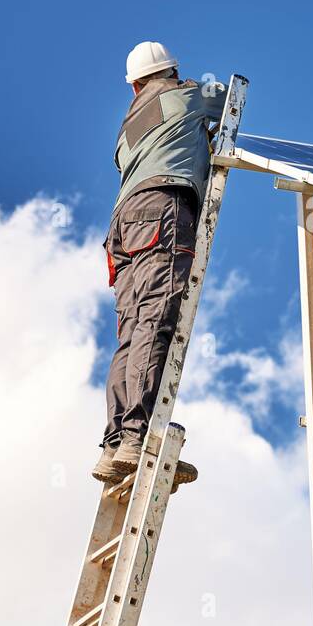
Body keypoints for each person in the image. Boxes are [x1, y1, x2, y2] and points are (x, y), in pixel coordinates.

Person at [93, 41, 223, 486]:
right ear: (170, 70)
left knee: (131, 333)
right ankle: (138, 437)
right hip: (162, 210)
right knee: (156, 319)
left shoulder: (126, 131)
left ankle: (114, 445)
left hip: (122, 228)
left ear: (133, 86)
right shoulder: (182, 93)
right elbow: (227, 99)